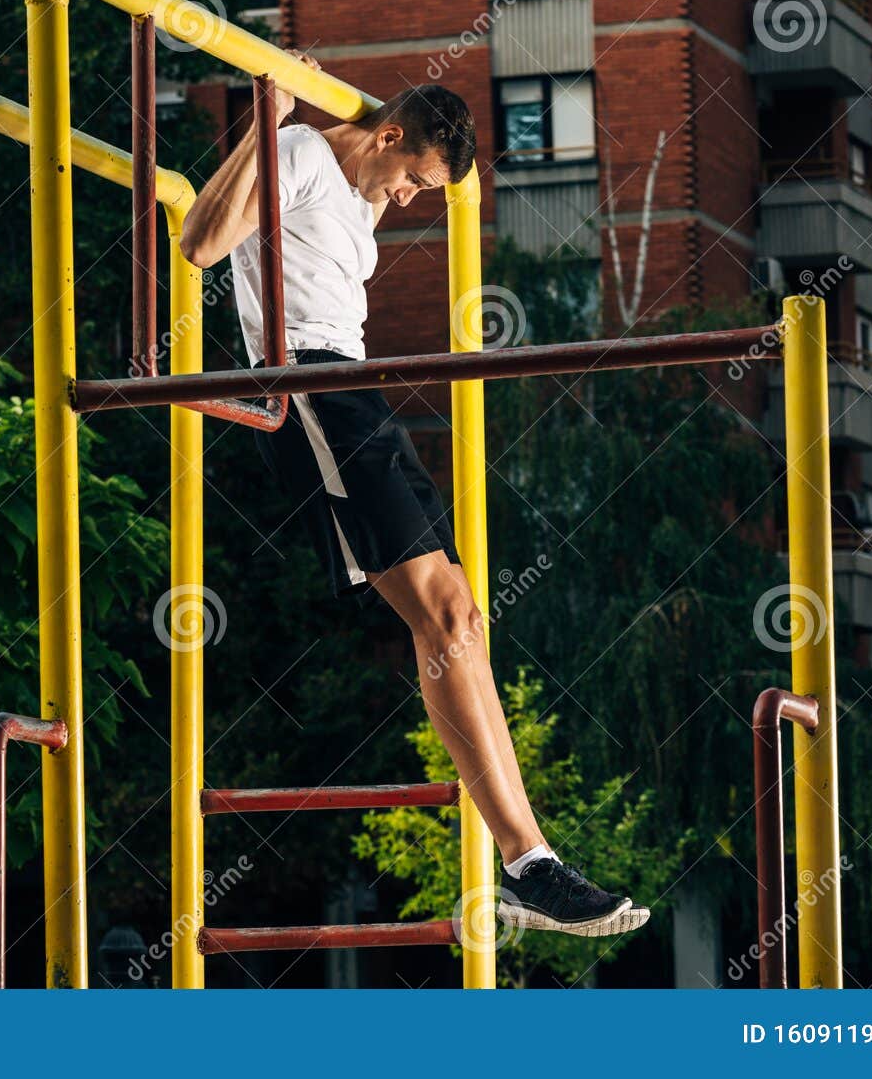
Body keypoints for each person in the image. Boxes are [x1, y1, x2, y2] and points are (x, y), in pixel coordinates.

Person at [179, 58, 649, 939]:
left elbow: (366, 157)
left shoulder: (356, 187)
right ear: (389, 138)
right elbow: (201, 243)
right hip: (308, 389)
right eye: (413, 181)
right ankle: (528, 862)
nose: (405, 200)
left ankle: (531, 858)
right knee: (439, 612)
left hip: (356, 388)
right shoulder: (299, 154)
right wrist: (269, 111)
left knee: (462, 615)